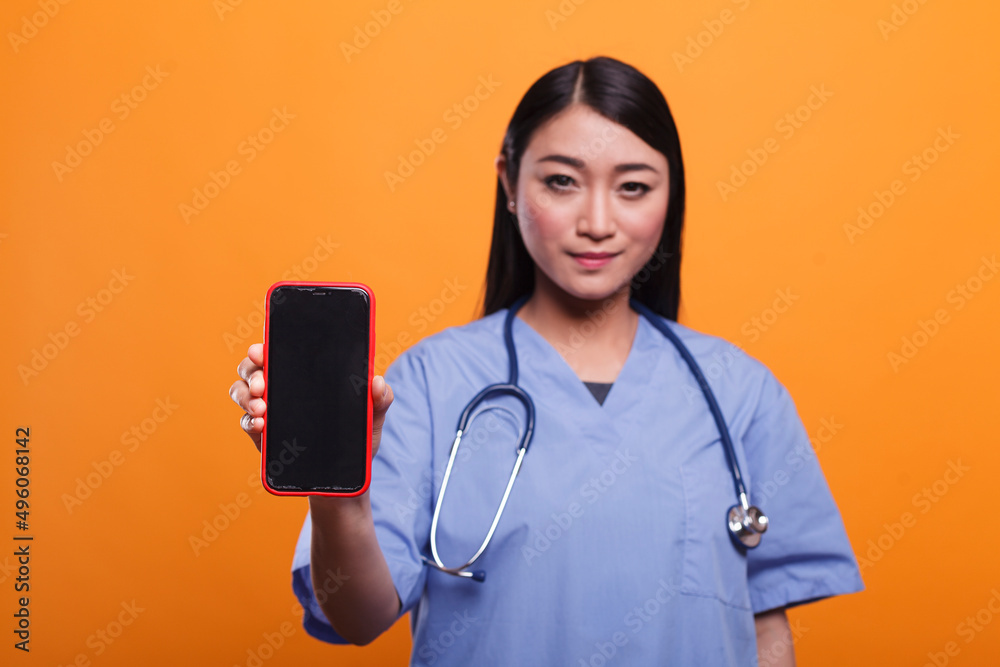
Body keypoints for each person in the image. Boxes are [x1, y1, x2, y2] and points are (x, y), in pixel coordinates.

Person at [229, 56, 864, 666]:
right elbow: (358, 617)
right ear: (508, 181)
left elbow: (765, 625)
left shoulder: (740, 391)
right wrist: (338, 494)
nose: (596, 221)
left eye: (634, 188)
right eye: (561, 181)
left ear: (671, 197)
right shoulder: (429, 382)